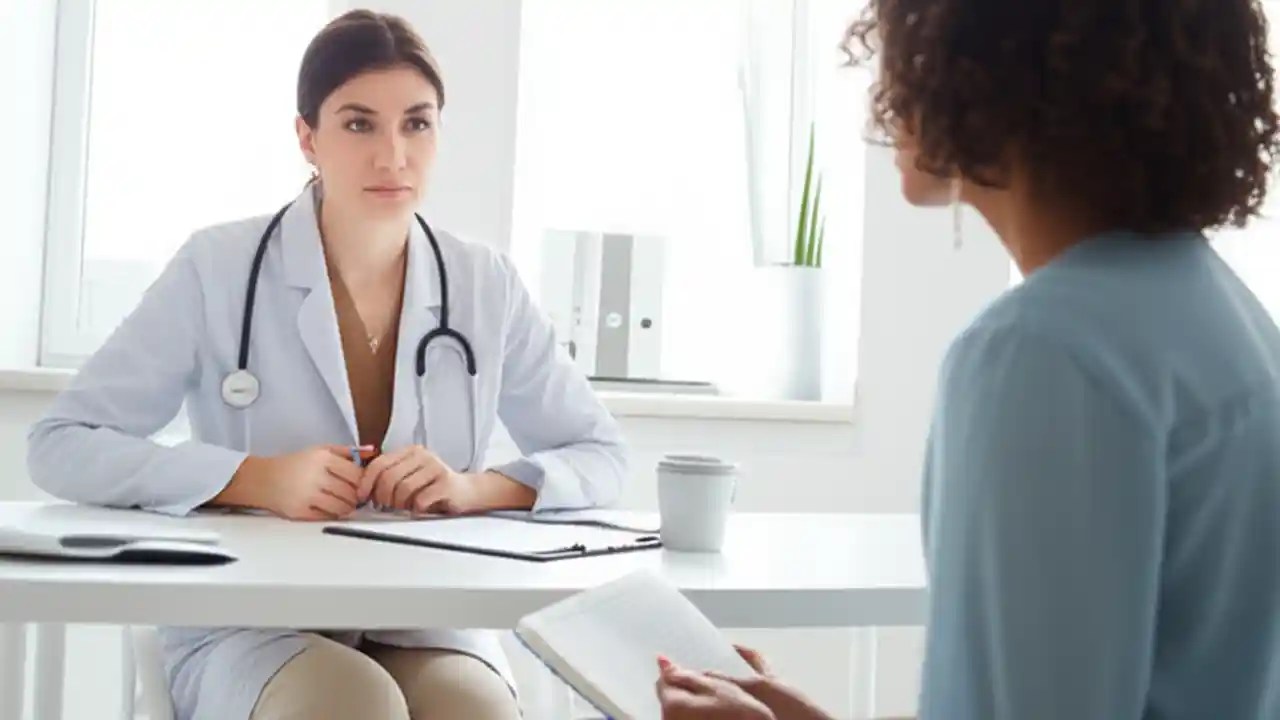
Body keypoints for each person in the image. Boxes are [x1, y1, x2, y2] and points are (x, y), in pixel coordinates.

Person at [658, 0, 1280, 717]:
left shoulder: (1042, 354)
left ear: (987, 63)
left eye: (901, 49)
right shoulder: (1227, 321)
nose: (884, 93)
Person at [27, 10, 627, 720]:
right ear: (307, 137)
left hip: (422, 615)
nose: (393, 156)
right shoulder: (219, 268)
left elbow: (602, 456)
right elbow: (61, 445)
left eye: (417, 123)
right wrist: (254, 478)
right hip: (253, 620)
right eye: (358, 123)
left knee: (477, 711)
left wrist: (473, 489)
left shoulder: (483, 283)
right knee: (350, 702)